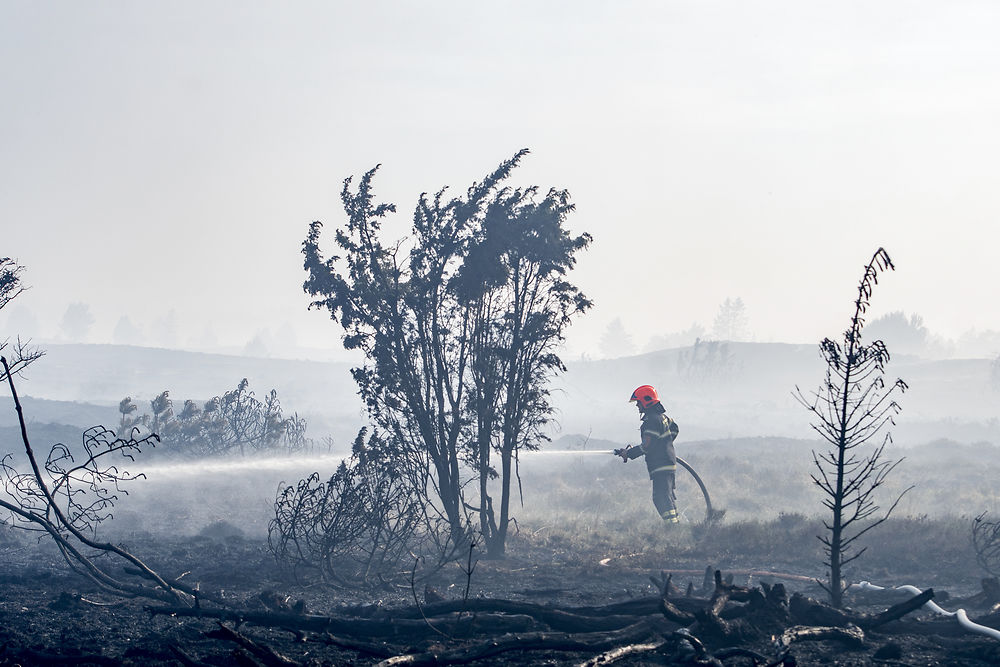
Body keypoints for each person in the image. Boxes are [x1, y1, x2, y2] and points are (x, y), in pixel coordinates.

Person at [614, 384, 680, 524]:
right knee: (667, 496)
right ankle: (675, 525)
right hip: (667, 462)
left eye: (638, 402)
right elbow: (674, 429)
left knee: (660, 497)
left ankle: (672, 527)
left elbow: (646, 447)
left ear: (646, 400)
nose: (637, 406)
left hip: (661, 464)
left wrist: (629, 453)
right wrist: (665, 443)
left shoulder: (651, 421)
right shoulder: (662, 417)